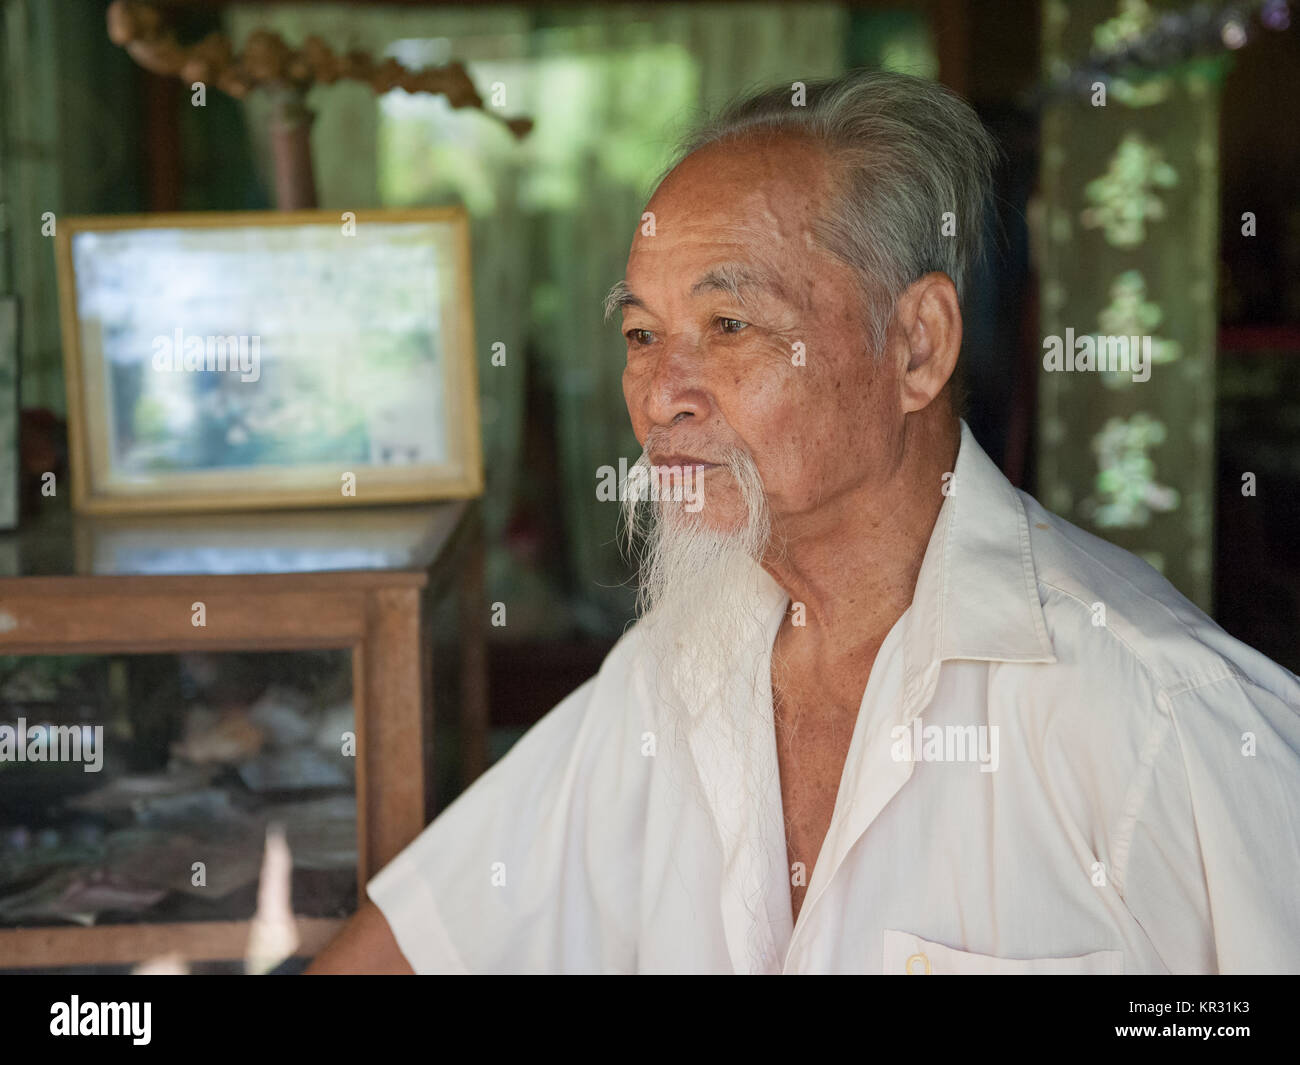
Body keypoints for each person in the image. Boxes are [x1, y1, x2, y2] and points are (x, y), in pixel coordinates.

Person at [308, 71, 1300, 975]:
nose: (662, 396)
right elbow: (421, 944)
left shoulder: (1160, 714)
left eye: (728, 327)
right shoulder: (675, 673)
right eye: (641, 335)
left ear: (916, 344)